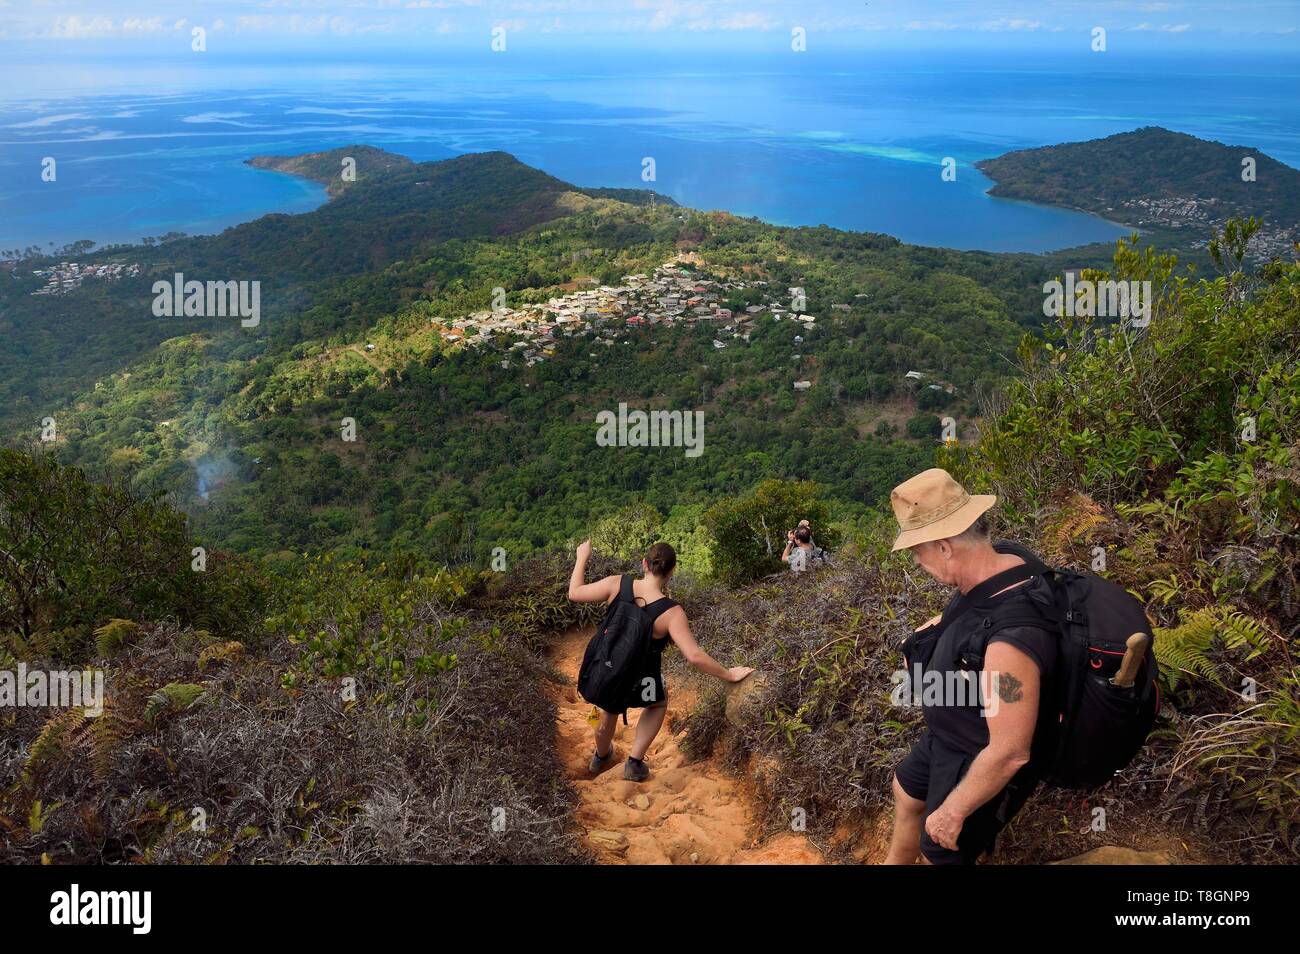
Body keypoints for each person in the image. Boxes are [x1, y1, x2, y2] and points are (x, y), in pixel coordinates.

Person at [883, 468, 1057, 865]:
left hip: (976, 755)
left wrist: (953, 811)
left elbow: (1011, 751)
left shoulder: (1013, 638)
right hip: (949, 733)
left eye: (918, 552)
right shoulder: (1007, 559)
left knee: (937, 852)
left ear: (944, 547)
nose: (918, 562)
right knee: (906, 792)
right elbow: (971, 613)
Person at [568, 539, 753, 782]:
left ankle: (601, 756)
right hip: (640, 679)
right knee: (657, 704)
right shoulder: (672, 612)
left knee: (608, 709)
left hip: (603, 667)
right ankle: (634, 762)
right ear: (672, 571)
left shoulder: (617, 583)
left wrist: (582, 557)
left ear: (644, 563)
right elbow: (694, 656)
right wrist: (728, 674)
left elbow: (574, 593)